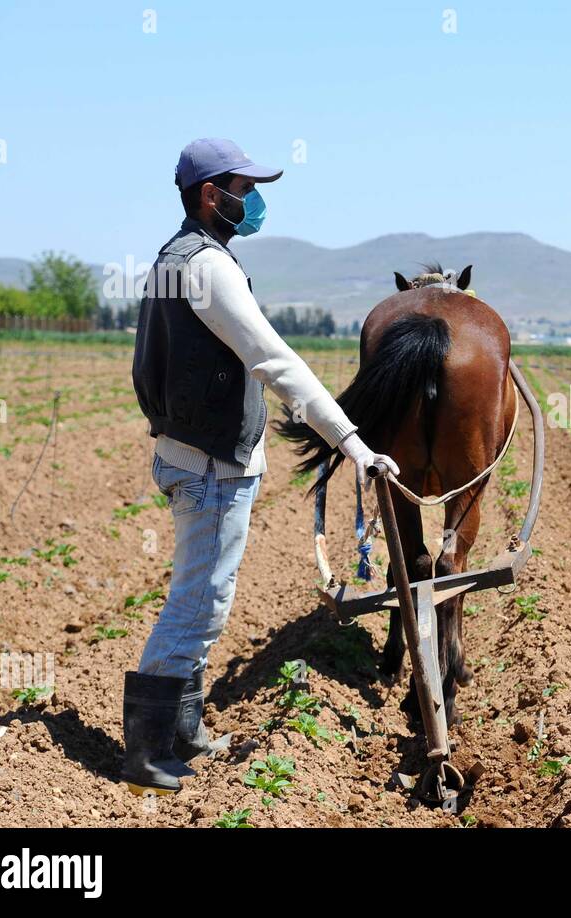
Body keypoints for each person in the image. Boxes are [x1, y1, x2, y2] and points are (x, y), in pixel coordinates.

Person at [124, 138, 398, 795]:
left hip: (188, 454)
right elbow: (275, 361)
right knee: (198, 599)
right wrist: (351, 442)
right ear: (210, 195)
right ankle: (147, 748)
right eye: (244, 189)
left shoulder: (175, 256)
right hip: (210, 466)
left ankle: (183, 729)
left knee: (206, 595)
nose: (254, 202)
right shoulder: (208, 267)